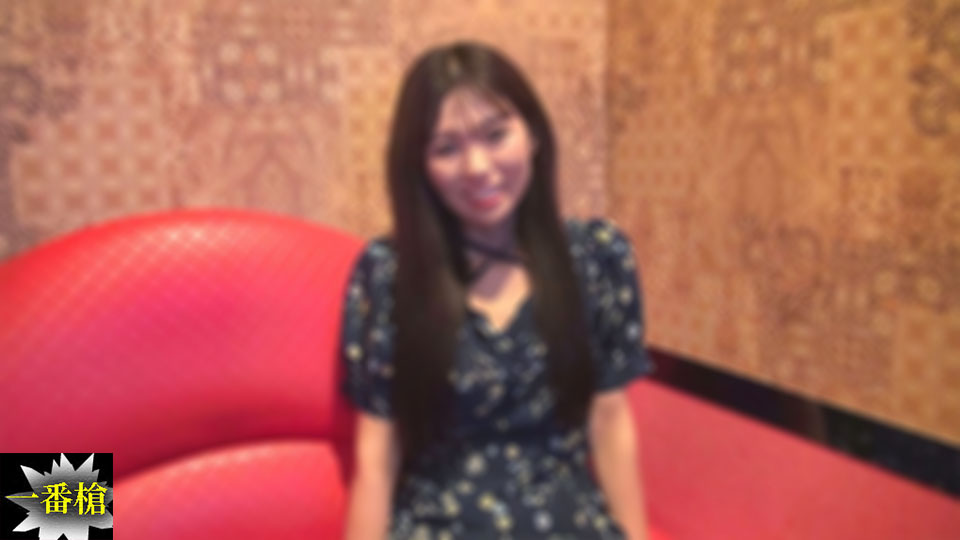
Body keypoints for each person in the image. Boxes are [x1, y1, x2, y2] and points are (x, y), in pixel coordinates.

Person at [339, 40, 655, 540]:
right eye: (447, 148)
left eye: (495, 135)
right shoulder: (388, 273)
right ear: (420, 165)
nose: (477, 167)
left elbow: (609, 419)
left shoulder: (598, 257)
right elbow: (377, 455)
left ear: (533, 134)